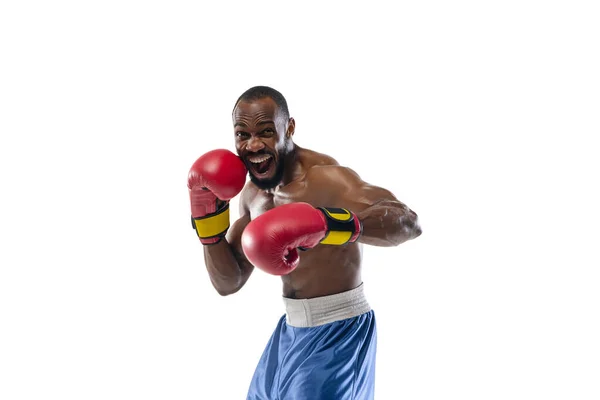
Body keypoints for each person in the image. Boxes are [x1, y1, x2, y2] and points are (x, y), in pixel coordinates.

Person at [187, 86, 422, 400]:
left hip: (338, 331)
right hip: (290, 330)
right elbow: (228, 282)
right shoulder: (253, 195)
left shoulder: (325, 179)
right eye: (242, 134)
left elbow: (409, 222)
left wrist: (329, 223)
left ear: (289, 128)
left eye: (266, 131)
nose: (253, 145)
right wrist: (208, 225)